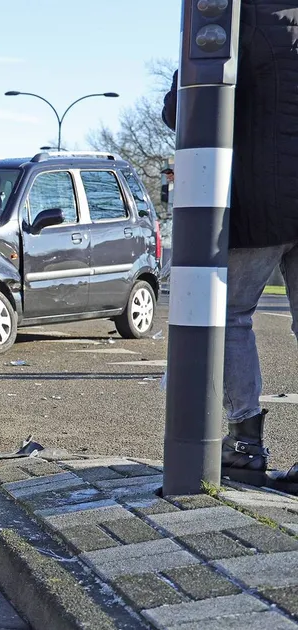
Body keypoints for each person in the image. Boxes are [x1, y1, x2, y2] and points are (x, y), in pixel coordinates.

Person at [161, 1, 298, 487]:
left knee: (231, 314)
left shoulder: (242, 18)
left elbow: (182, 106)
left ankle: (245, 444)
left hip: (262, 199)